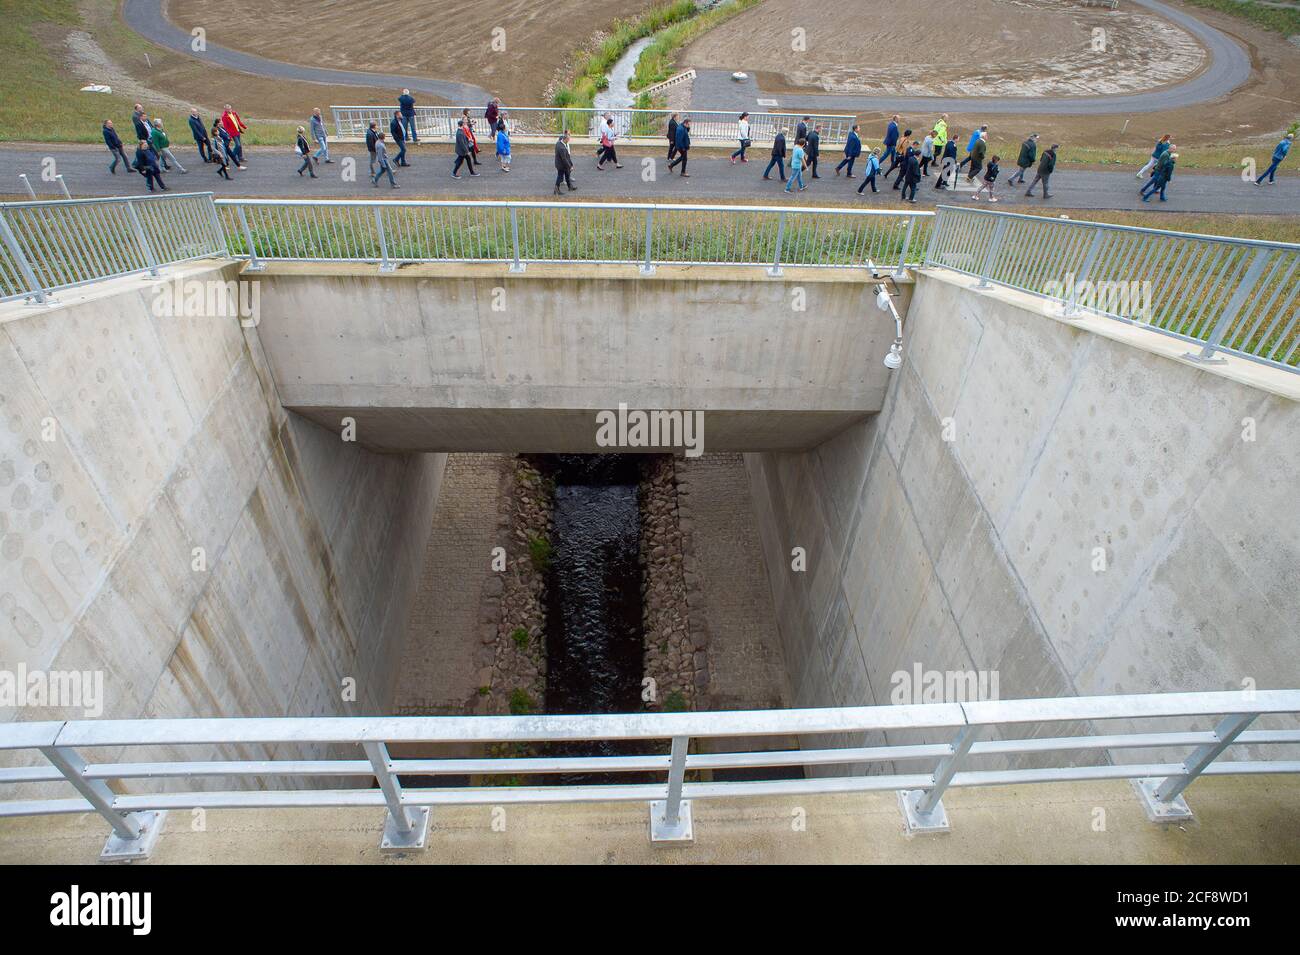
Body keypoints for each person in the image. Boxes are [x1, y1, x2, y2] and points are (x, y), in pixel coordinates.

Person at [554, 130, 576, 194]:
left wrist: (570, 164)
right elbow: (564, 159)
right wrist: (570, 166)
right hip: (561, 165)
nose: (568, 141)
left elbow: (567, 156)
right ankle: (556, 189)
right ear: (565, 139)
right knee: (560, 176)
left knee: (567, 174)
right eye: (568, 140)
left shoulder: (558, 143)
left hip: (560, 163)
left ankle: (570, 186)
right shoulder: (562, 148)